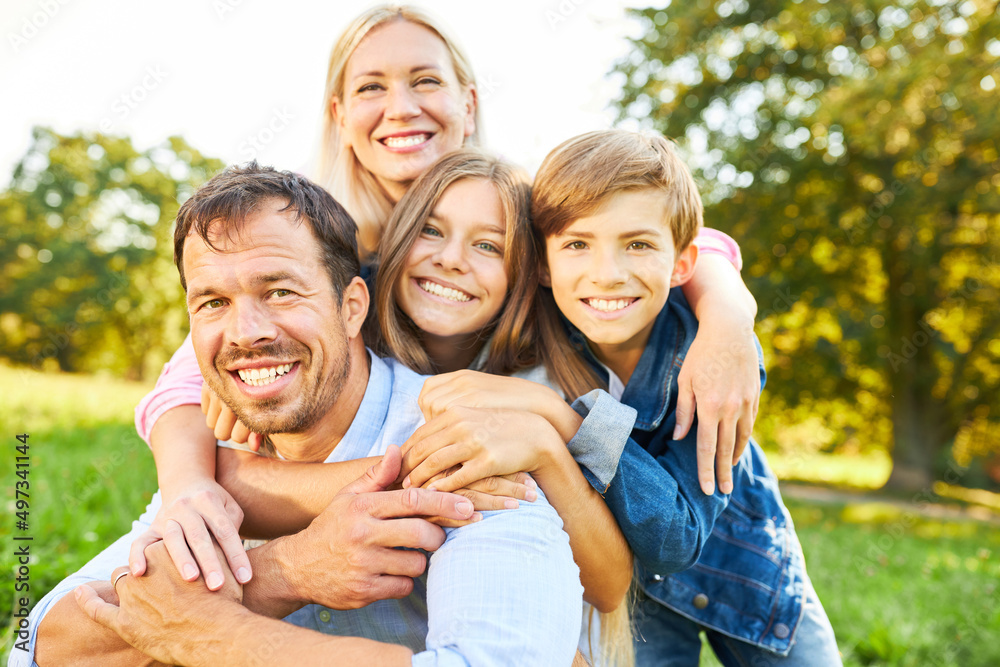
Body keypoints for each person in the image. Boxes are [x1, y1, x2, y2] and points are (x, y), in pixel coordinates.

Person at [133, 2, 765, 598]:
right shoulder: (318, 256)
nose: (401, 107)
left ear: (468, 102)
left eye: (425, 80)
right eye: (372, 86)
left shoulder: (528, 219)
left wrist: (728, 314)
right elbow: (189, 378)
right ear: (339, 114)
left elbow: (651, 240)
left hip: (698, 510)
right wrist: (188, 482)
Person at [17, 163, 584, 666]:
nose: (246, 333)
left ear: (352, 307)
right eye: (213, 302)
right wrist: (285, 573)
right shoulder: (214, 454)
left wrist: (215, 637)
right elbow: (39, 646)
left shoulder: (470, 450)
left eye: (281, 292)